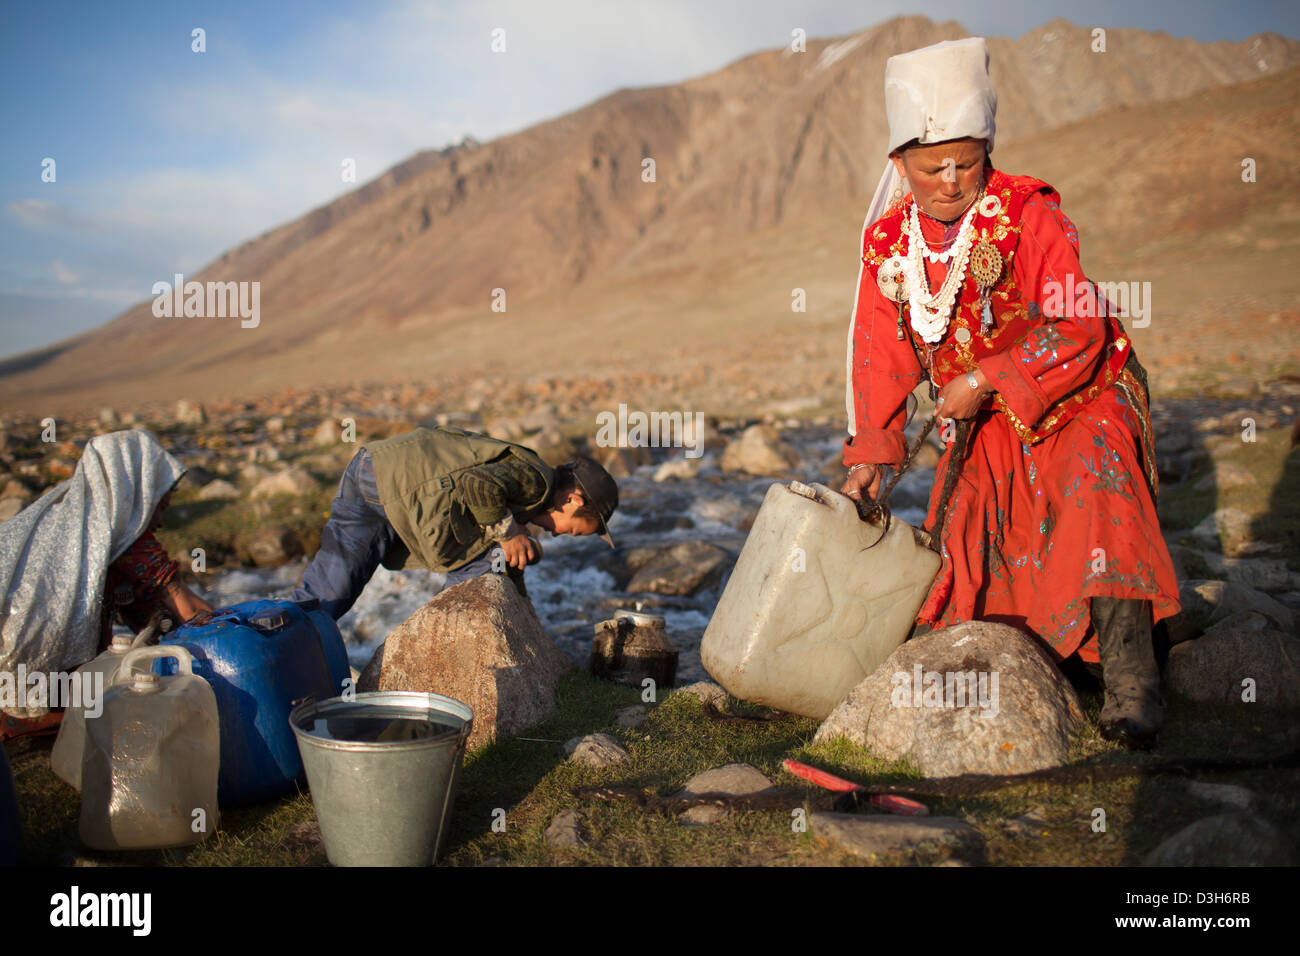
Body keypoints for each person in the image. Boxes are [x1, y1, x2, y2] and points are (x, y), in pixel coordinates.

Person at [838, 38, 1180, 748]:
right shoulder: (888, 248)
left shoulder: (1028, 213)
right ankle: (1046, 668)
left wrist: (987, 376)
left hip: (1080, 390)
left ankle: (1131, 684)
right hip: (988, 418)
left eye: (968, 160)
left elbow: (1079, 323)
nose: (954, 179)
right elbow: (882, 356)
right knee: (963, 546)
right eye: (934, 166)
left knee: (1096, 492)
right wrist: (872, 451)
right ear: (900, 163)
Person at [0, 430, 212, 730]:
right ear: (138, 493)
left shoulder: (65, 516)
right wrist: (233, 635)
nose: (161, 522)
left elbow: (146, 612)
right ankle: (38, 717)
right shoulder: (127, 537)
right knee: (114, 703)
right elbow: (190, 611)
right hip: (22, 660)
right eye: (159, 508)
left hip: (8, 654)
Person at [295, 425, 618, 619]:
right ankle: (453, 627)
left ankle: (269, 631)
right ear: (573, 500)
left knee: (328, 591)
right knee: (484, 560)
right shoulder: (536, 480)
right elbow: (478, 485)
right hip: (395, 484)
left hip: (372, 468)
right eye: (571, 531)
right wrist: (507, 536)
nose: (558, 535)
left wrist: (518, 595)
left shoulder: (528, 487)